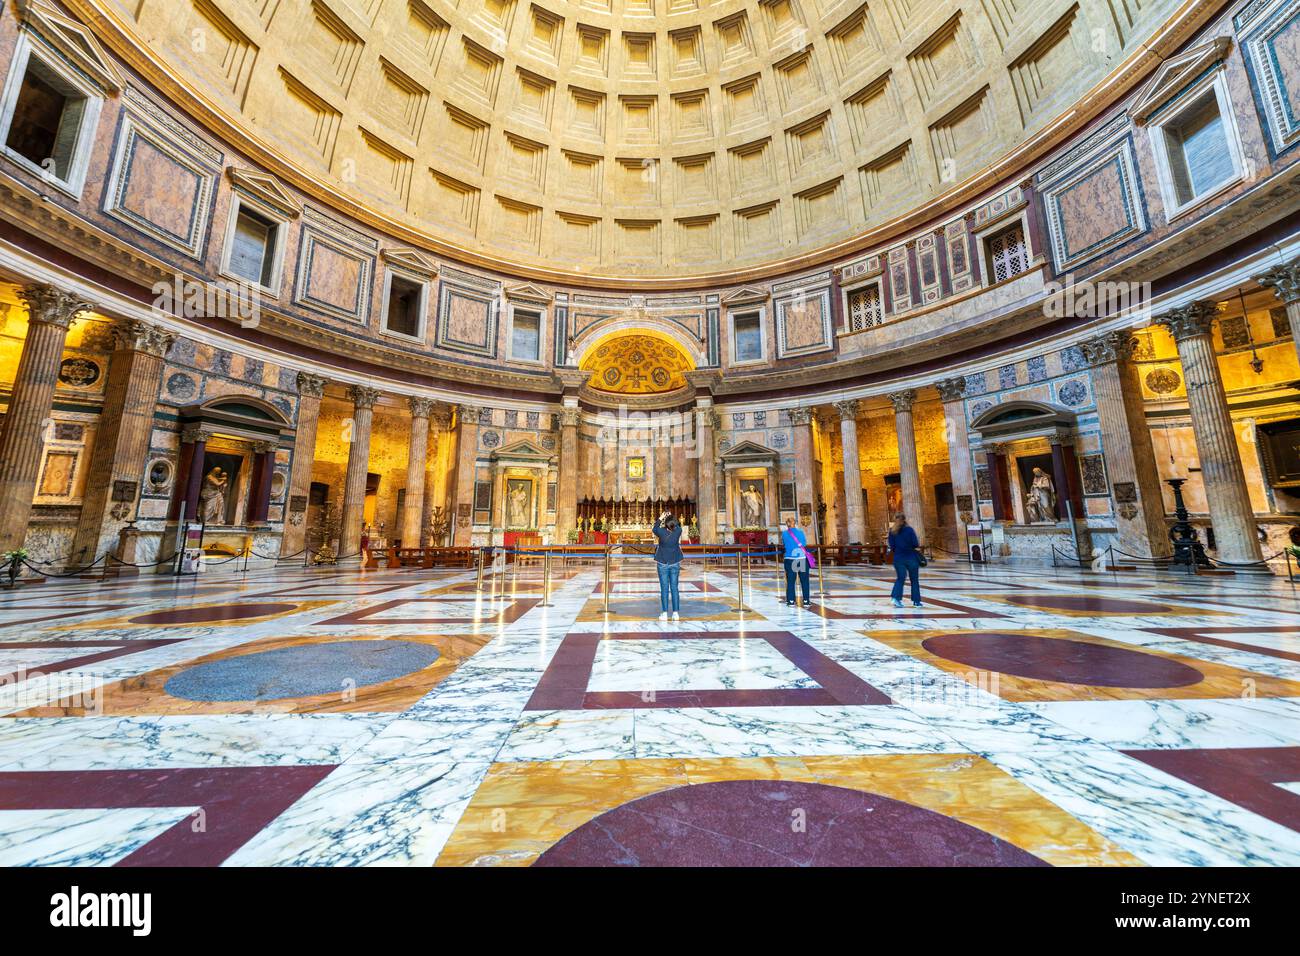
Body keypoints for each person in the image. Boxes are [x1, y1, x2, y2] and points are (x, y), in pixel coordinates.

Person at [652, 511, 684, 622]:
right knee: (674, 588)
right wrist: (672, 518)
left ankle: (665, 613)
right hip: (675, 562)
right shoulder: (678, 531)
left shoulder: (661, 532)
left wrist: (661, 517)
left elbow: (654, 528)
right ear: (674, 523)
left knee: (664, 588)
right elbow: (678, 526)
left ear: (665, 524)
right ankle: (676, 614)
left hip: (662, 563)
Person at [888, 512, 923, 608]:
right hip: (911, 557)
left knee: (900, 579)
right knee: (914, 580)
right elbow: (915, 544)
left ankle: (896, 598)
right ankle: (916, 601)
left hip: (899, 558)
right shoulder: (909, 530)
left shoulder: (892, 531)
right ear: (904, 519)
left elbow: (892, 546)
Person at [781, 516, 811, 608]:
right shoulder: (801, 532)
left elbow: (784, 543)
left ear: (787, 524)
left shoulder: (784, 533)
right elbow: (804, 544)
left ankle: (790, 601)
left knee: (791, 580)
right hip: (801, 558)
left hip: (790, 559)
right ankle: (806, 601)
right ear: (795, 524)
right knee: (804, 580)